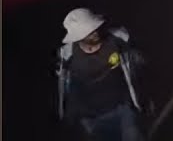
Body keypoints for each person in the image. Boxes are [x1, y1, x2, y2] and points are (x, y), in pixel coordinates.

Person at [57, 8, 144, 141]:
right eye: (88, 32)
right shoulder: (68, 55)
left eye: (95, 27)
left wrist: (141, 100)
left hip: (122, 108)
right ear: (79, 37)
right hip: (92, 118)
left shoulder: (117, 39)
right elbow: (66, 88)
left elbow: (137, 63)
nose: (95, 32)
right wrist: (68, 116)